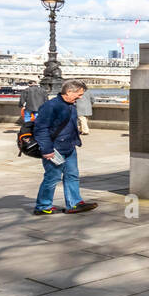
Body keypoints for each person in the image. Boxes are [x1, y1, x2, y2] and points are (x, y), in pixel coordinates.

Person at [32, 79, 98, 215]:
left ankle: (74, 203)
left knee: (72, 175)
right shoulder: (51, 106)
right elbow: (41, 129)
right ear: (68, 91)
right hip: (54, 149)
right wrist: (47, 150)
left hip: (69, 147)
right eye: (79, 94)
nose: (80, 98)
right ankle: (42, 206)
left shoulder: (70, 105)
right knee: (52, 178)